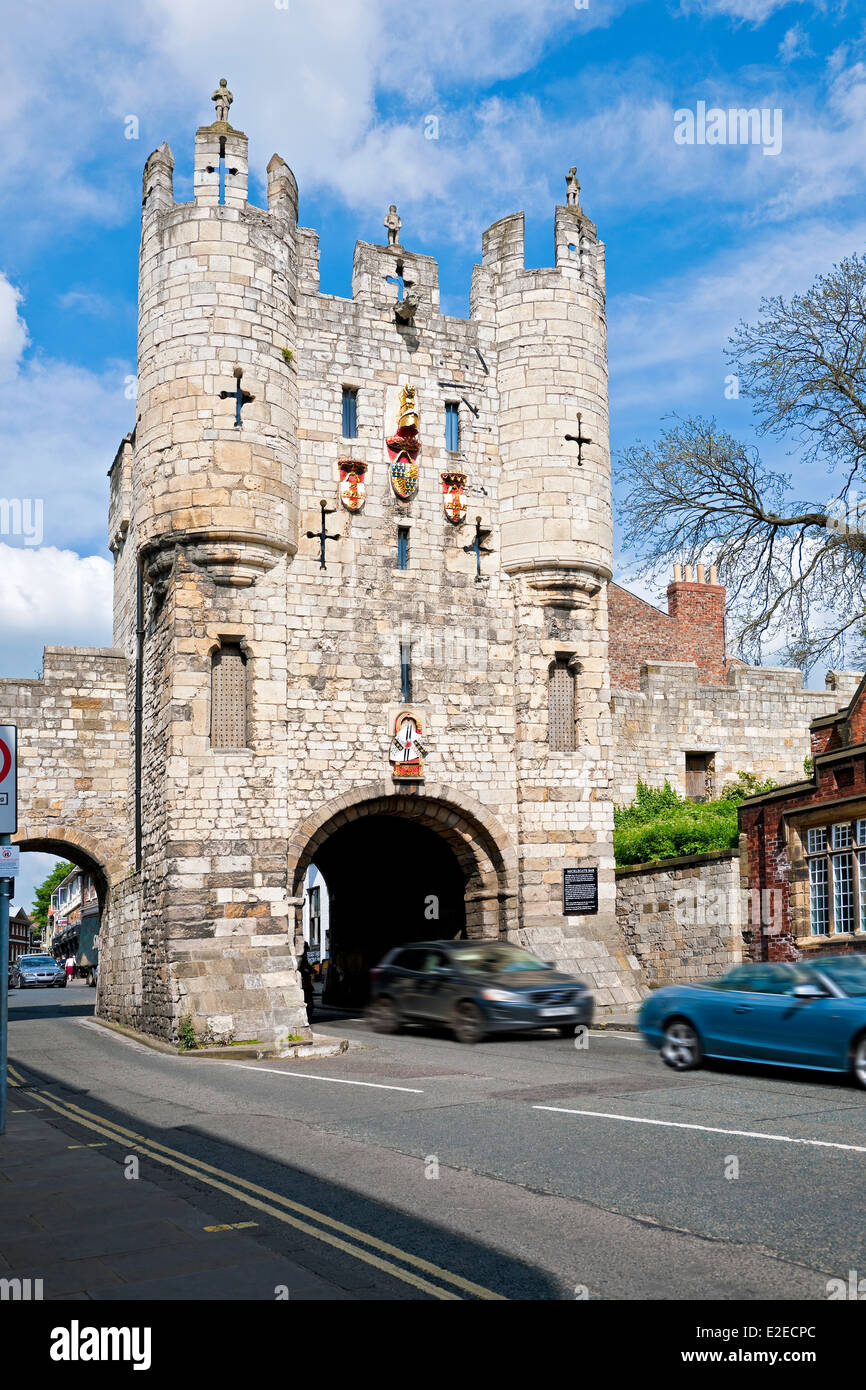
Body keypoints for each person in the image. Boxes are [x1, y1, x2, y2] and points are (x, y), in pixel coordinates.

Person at [298, 946, 314, 1019]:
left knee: (308, 996)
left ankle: (309, 1011)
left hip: (306, 982)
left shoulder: (304, 958)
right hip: (303, 982)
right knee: (305, 997)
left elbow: (308, 966)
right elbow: (303, 967)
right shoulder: (301, 958)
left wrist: (312, 970)